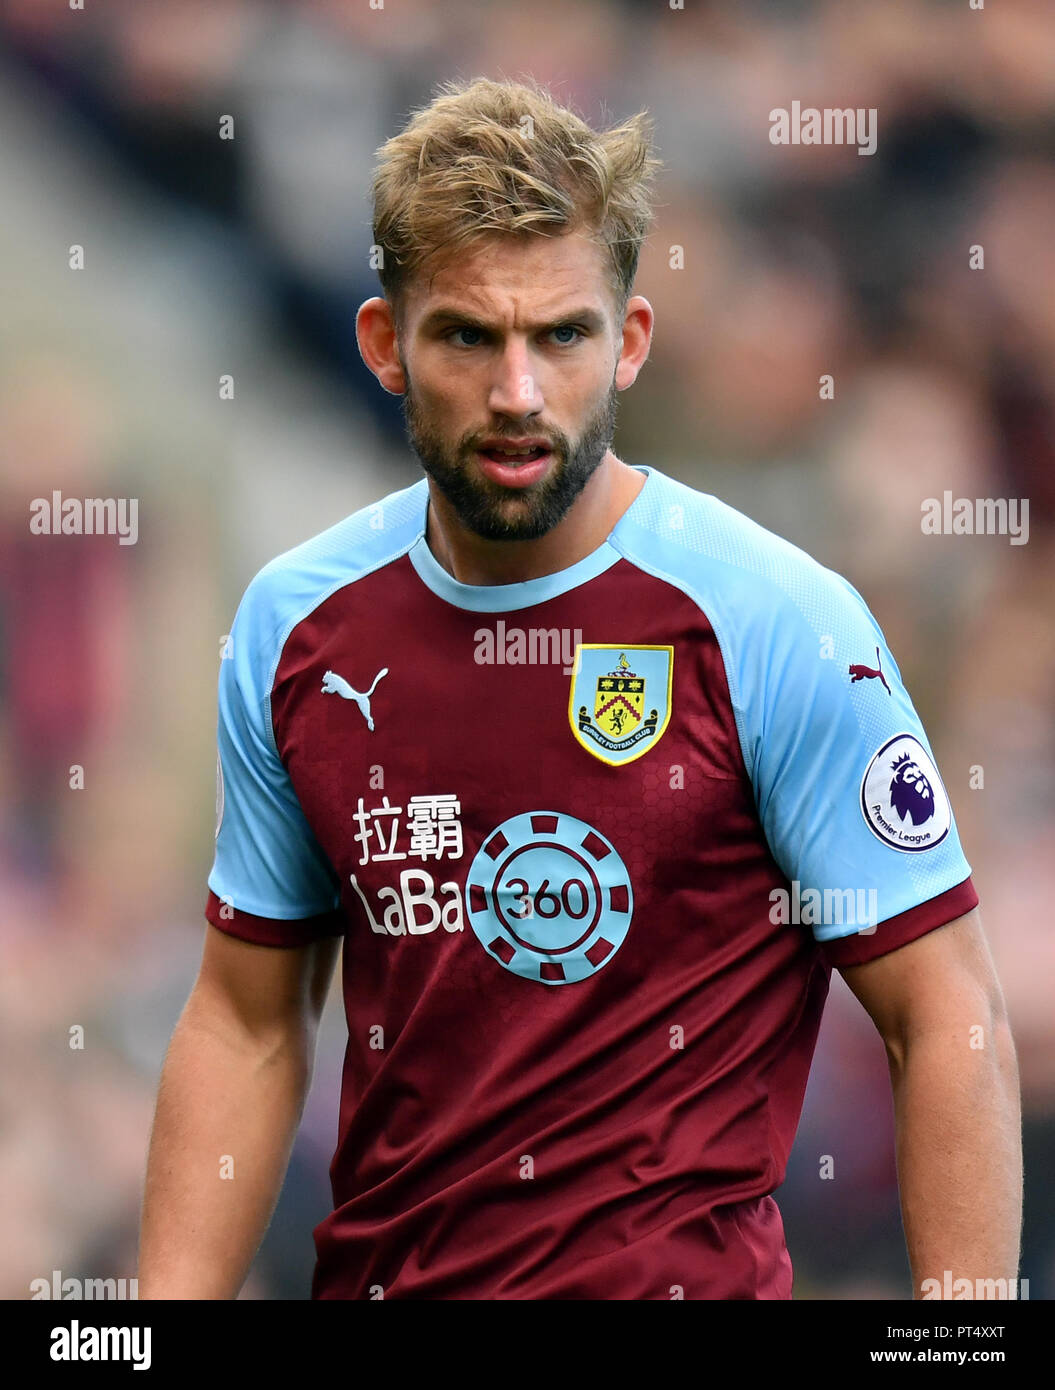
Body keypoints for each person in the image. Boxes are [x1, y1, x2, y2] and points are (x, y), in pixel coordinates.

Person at [138, 76, 1022, 1300]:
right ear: (385, 344)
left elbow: (945, 1013)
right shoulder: (297, 627)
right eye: (467, 335)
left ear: (630, 341)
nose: (518, 393)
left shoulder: (771, 620)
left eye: (561, 335)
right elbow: (243, 1020)